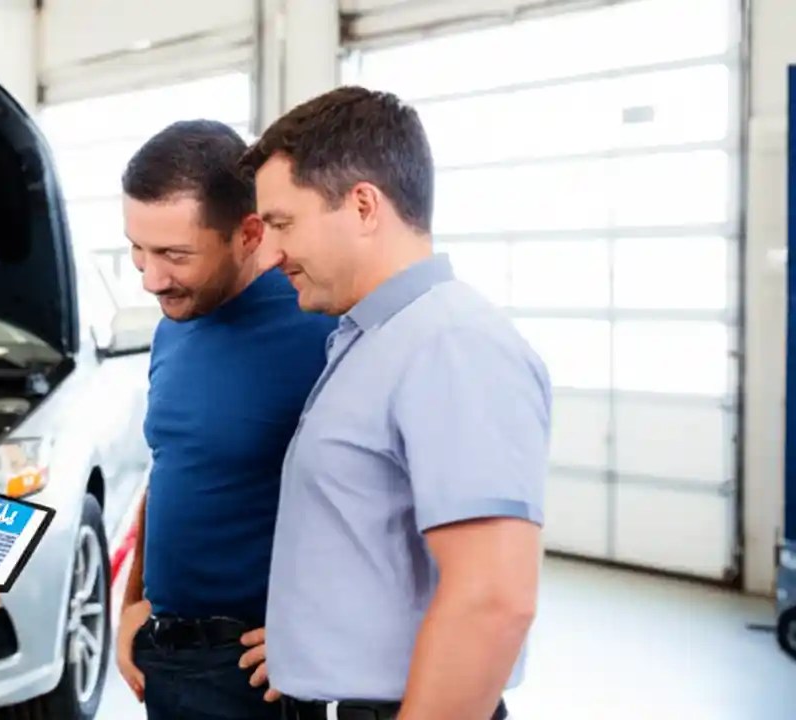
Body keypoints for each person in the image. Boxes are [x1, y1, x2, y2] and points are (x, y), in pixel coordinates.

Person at [237, 86, 551, 720]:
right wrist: (315, 644)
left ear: (361, 205)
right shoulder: (375, 338)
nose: (269, 255)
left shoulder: (451, 345)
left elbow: (492, 598)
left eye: (281, 224)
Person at [113, 119, 337, 720]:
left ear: (248, 233)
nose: (150, 278)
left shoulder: (321, 327)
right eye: (138, 248)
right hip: (169, 656)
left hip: (261, 669)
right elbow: (173, 467)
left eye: (174, 255)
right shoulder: (175, 323)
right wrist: (136, 601)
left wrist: (327, 625)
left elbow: (386, 503)